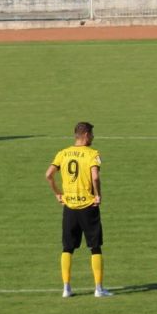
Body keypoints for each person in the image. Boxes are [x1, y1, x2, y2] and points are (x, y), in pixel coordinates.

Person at [45, 122, 111, 298]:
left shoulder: (63, 153)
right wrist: (98, 195)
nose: (94, 137)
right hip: (88, 206)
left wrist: (58, 194)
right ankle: (99, 288)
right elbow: (95, 176)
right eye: (92, 134)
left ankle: (66, 288)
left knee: (67, 248)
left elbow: (48, 174)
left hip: (70, 207)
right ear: (87, 135)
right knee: (95, 247)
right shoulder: (92, 154)